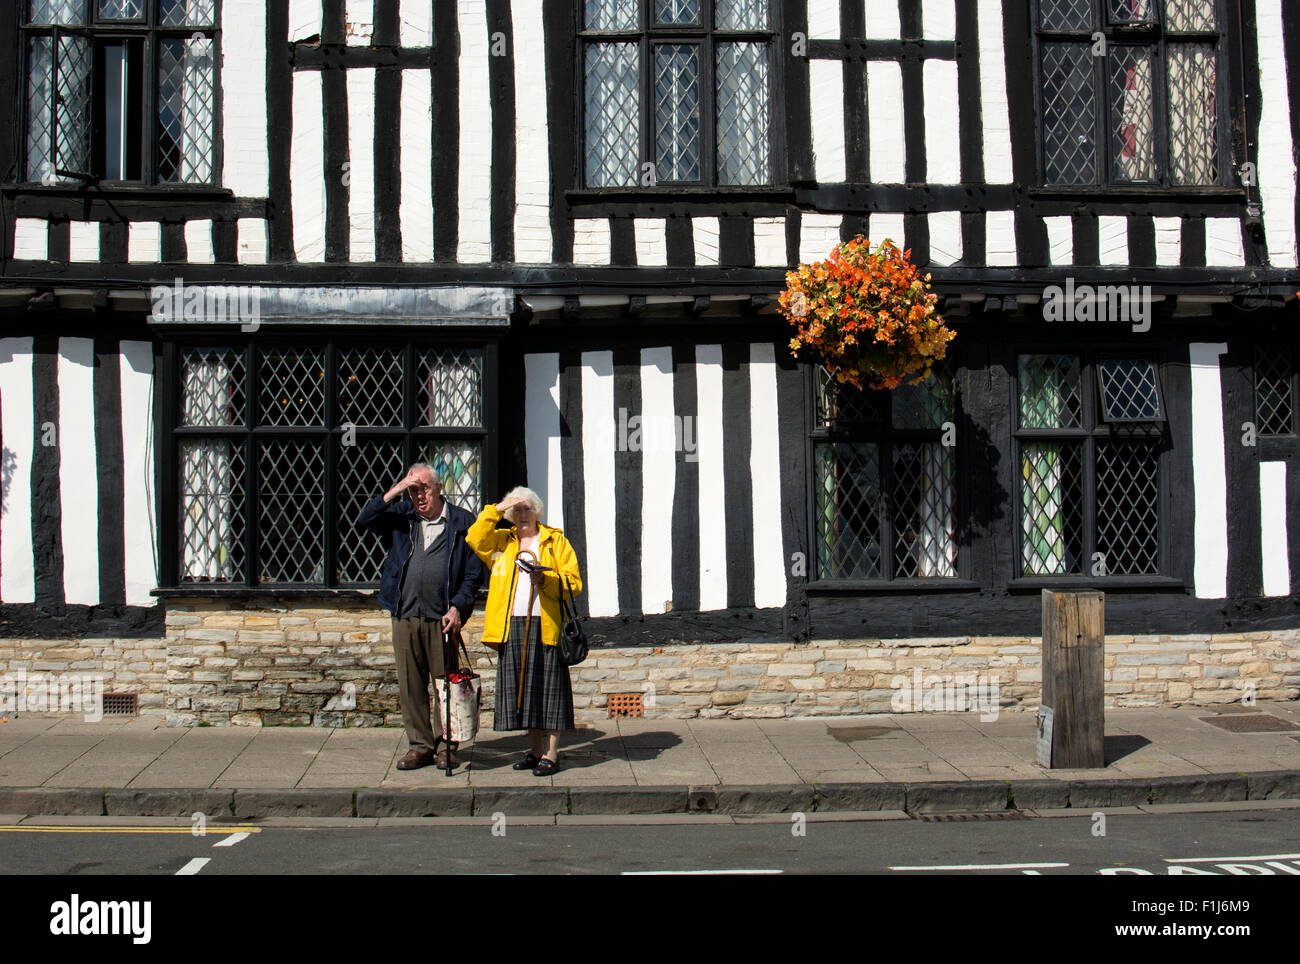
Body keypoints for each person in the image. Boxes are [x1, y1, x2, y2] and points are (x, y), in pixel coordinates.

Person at [359, 463, 485, 771]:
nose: (419, 496)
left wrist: (458, 607)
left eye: (424, 488)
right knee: (410, 686)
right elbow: (365, 519)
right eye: (413, 490)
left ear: (440, 488)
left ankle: (447, 746)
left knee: (445, 685)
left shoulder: (461, 522)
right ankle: (420, 745)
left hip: (442, 618)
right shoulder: (402, 519)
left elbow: (473, 573)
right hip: (405, 614)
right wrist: (398, 489)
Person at [466, 486, 582, 776]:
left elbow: (574, 583)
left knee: (550, 691)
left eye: (526, 508)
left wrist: (546, 579)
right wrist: (499, 506)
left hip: (546, 625)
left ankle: (552, 753)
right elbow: (474, 537)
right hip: (512, 624)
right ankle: (533, 750)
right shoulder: (501, 543)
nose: (522, 514)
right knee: (525, 691)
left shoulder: (555, 541)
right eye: (516, 510)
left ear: (536, 511)